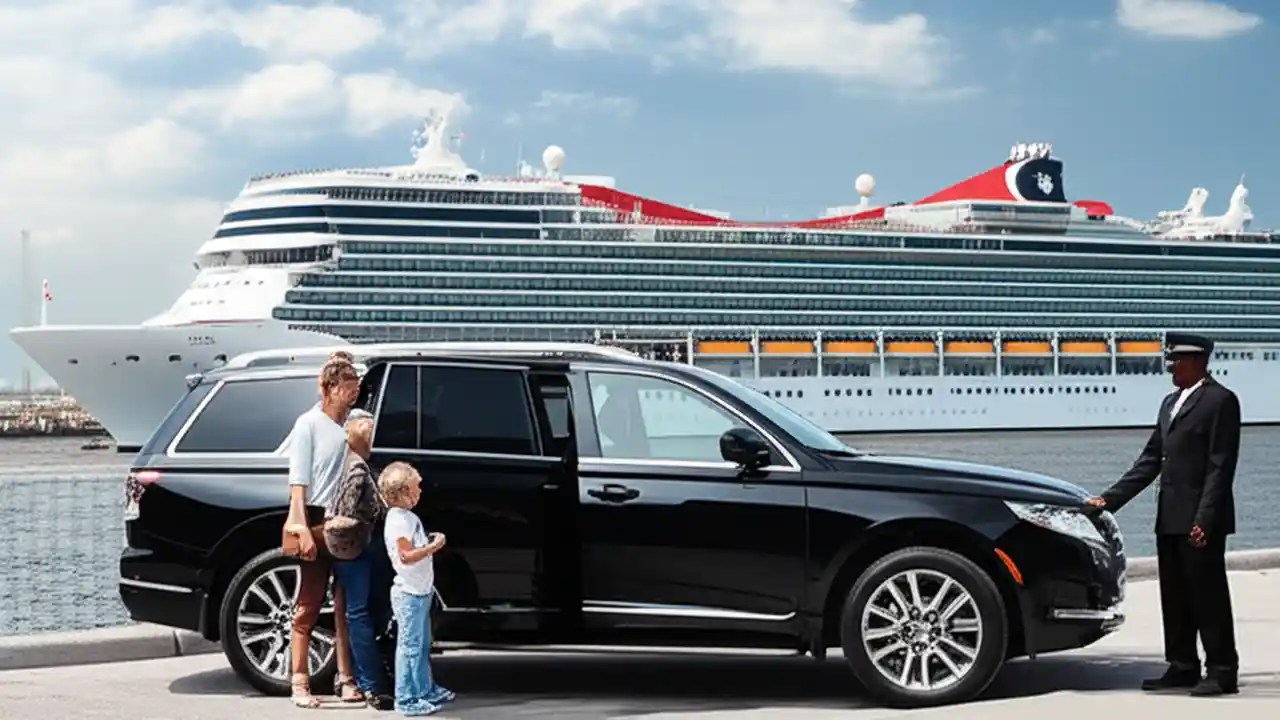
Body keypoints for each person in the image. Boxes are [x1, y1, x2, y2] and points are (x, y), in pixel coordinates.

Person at [1086, 332, 1241, 696]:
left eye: (1178, 359)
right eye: (1170, 359)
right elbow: (1150, 460)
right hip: (1170, 516)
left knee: (1209, 596)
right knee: (1175, 595)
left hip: (1201, 520)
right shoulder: (1169, 402)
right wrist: (1109, 500)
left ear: (1199, 361)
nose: (1171, 365)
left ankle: (1222, 670)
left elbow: (1221, 467)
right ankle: (1183, 665)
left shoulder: (1221, 401)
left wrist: (1205, 519)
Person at [283, 358, 363, 708]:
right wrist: (299, 525)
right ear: (332, 388)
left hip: (347, 519)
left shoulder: (355, 423)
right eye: (349, 387)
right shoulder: (308, 425)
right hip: (315, 517)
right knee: (309, 602)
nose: (354, 392)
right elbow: (298, 482)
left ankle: (345, 678)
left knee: (345, 604)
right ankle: (299, 682)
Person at [326, 416, 396, 710]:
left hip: (347, 549)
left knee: (358, 612)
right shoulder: (356, 469)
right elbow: (349, 509)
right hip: (355, 546)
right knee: (359, 613)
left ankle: (363, 676)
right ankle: (373, 684)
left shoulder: (342, 462)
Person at [378, 462, 455, 716]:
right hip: (409, 594)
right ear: (401, 494)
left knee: (422, 645)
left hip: (420, 590)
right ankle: (406, 698)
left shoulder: (407, 518)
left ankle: (424, 689)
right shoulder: (399, 521)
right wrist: (434, 546)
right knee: (409, 647)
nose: (420, 491)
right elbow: (406, 556)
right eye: (414, 488)